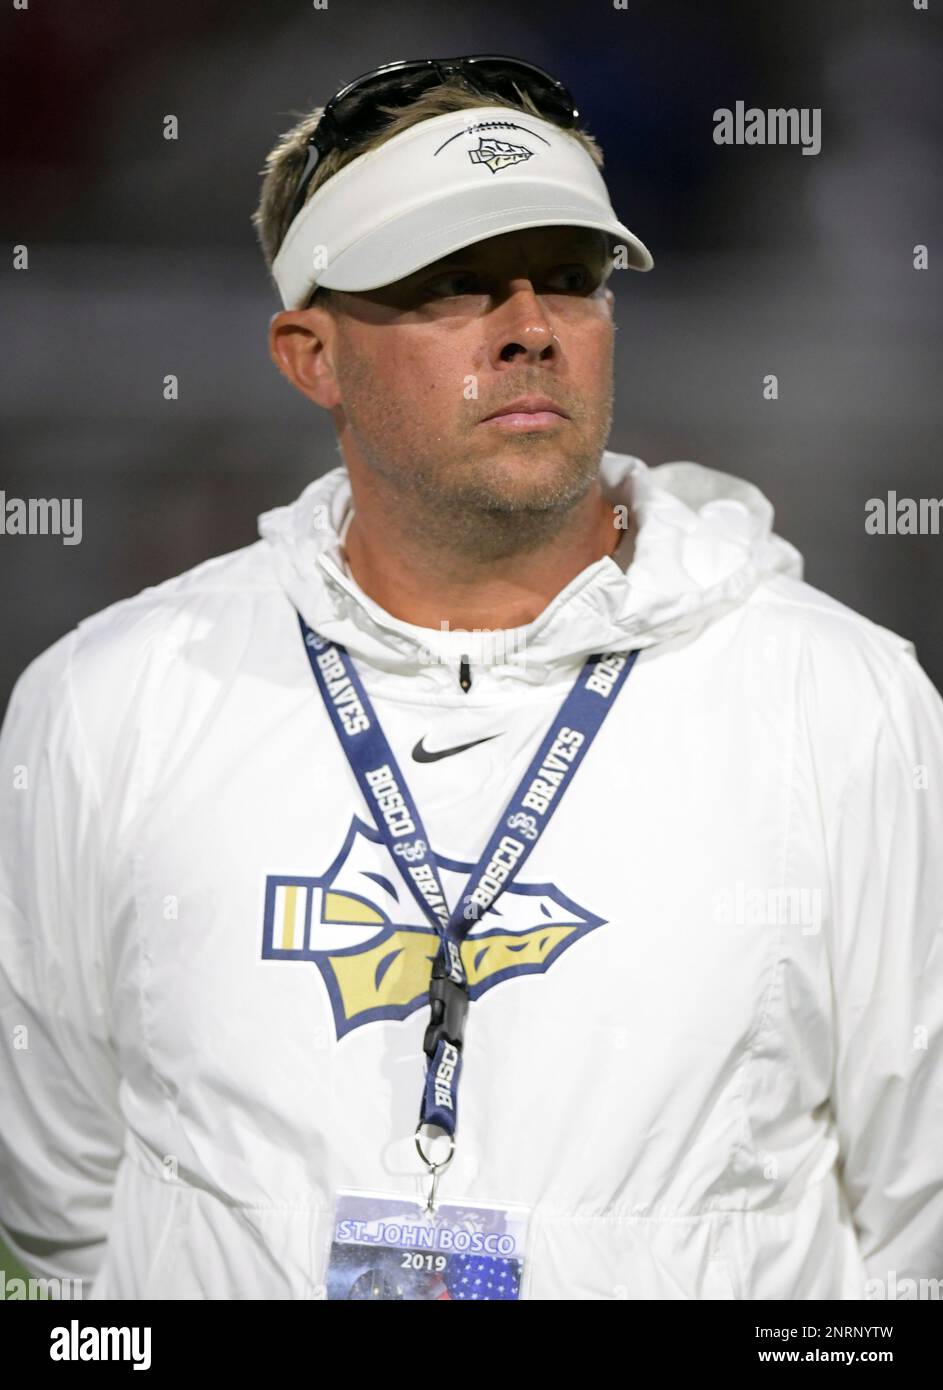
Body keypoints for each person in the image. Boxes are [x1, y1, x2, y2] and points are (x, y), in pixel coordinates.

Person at [1, 54, 941, 1302]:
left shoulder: (843, 702)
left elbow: (921, 1218)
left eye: (569, 279)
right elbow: (65, 1212)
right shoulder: (108, 702)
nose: (531, 328)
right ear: (310, 355)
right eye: (451, 287)